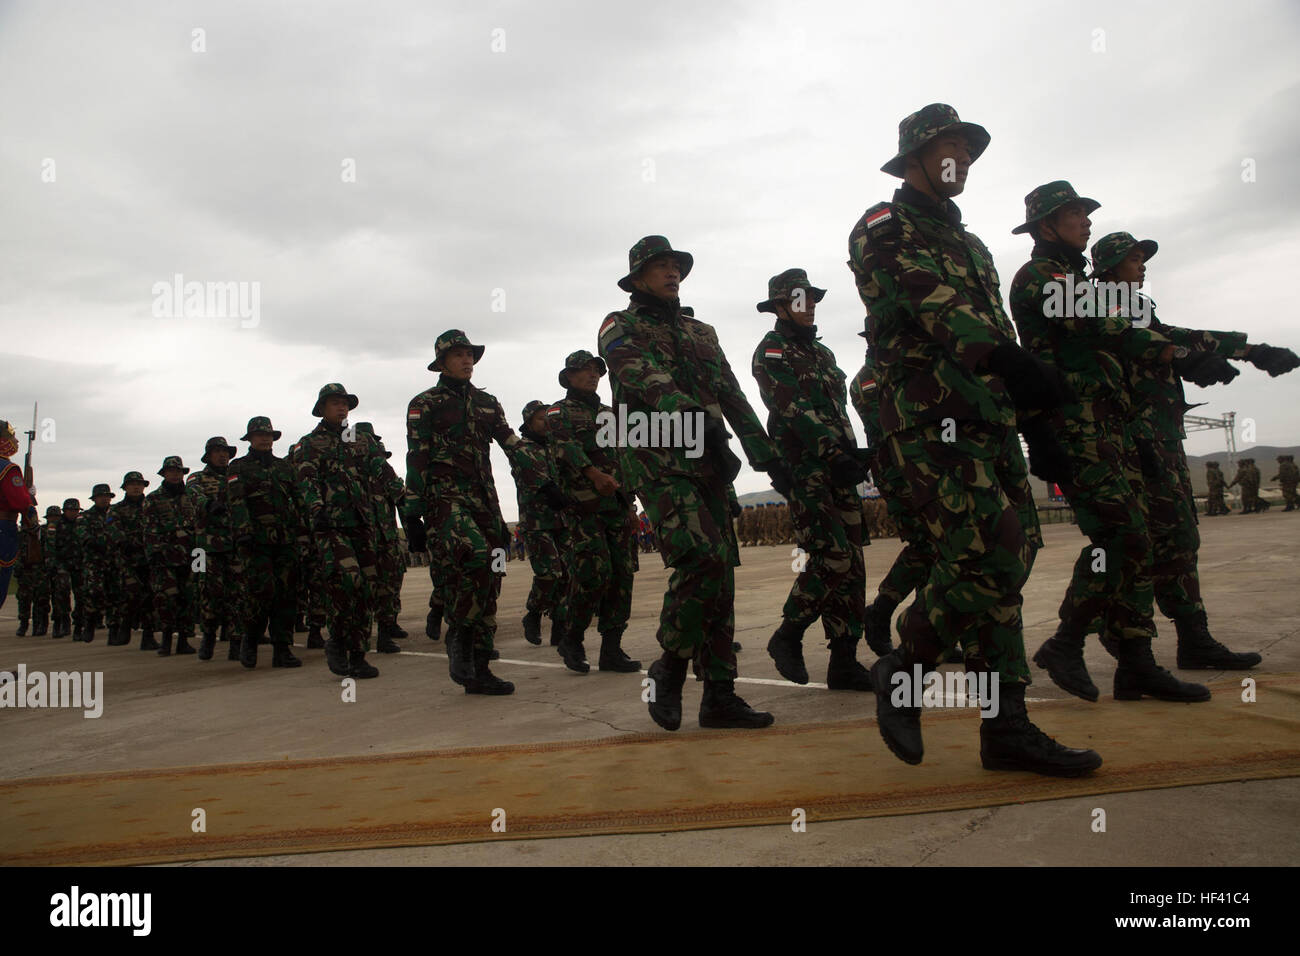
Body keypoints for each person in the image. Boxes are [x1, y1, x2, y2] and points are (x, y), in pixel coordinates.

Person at [848, 104, 1099, 775]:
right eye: (949, 147)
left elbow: (997, 331)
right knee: (981, 554)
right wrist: (1016, 365)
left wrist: (1039, 423)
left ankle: (1006, 725)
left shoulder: (975, 244)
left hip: (990, 415)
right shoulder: (882, 226)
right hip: (933, 418)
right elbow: (930, 303)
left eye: (968, 150)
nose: (961, 160)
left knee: (1014, 555)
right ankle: (905, 666)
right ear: (916, 157)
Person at [598, 235, 794, 730]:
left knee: (720, 571)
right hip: (656, 454)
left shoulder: (702, 331)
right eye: (660, 266)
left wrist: (771, 460)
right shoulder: (619, 326)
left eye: (675, 266)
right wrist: (688, 414)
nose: (671, 273)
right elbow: (639, 374)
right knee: (701, 557)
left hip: (708, 459)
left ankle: (720, 696)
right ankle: (669, 667)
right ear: (638, 277)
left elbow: (731, 392)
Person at [751, 269, 872, 690]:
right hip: (807, 469)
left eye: (813, 299)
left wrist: (853, 450)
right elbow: (790, 407)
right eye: (801, 300)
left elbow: (836, 411)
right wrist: (832, 451)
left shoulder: (823, 355)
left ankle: (844, 659)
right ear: (781, 306)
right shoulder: (772, 352)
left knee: (853, 564)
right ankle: (788, 634)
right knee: (831, 555)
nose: (810, 306)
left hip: (837, 467)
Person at [403, 332, 521, 695]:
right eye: (458, 355)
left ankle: (479, 667)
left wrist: (546, 479)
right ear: (441, 362)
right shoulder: (425, 403)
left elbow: (511, 444)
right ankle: (459, 634)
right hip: (445, 500)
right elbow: (417, 457)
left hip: (484, 500)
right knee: (477, 557)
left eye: (470, 354)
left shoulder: (488, 403)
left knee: (495, 571)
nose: (466, 360)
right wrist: (412, 516)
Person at [547, 351, 641, 673]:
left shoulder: (609, 414)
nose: (592, 375)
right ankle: (572, 637)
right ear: (569, 377)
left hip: (615, 506)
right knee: (592, 573)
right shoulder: (558, 412)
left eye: (595, 370)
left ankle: (611, 649)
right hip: (583, 505)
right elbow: (564, 448)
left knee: (621, 575)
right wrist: (592, 474)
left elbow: (621, 457)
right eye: (584, 370)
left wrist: (630, 504)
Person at [294, 384, 385, 679]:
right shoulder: (310, 443)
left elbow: (381, 470)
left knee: (368, 586)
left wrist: (408, 505)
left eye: (344, 403)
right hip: (331, 524)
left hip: (362, 522)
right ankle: (336, 641)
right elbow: (306, 479)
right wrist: (316, 509)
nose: (342, 407)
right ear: (322, 409)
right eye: (335, 403)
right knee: (347, 581)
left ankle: (358, 654)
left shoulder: (361, 441)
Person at [228, 416, 311, 669]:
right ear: (250, 439)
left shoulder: (285, 467)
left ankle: (282, 649)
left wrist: (303, 532)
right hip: (255, 541)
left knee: (286, 595)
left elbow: (298, 500)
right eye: (259, 435)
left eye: (269, 435)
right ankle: (250, 641)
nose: (265, 439)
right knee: (260, 593)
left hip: (285, 540)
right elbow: (236, 501)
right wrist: (244, 532)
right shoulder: (238, 467)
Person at [512, 400, 571, 649]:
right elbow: (537, 478)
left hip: (561, 520)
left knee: (567, 575)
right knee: (549, 573)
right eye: (539, 419)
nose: (546, 423)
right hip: (537, 522)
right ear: (528, 422)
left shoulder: (555, 446)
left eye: (548, 418)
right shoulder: (522, 448)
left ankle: (559, 626)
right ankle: (533, 613)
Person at [354, 422, 408, 653]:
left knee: (390, 583)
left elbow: (402, 501)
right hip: (362, 538)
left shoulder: (385, 474)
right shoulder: (350, 473)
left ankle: (387, 629)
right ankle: (360, 637)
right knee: (364, 588)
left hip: (386, 537)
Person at [142, 457, 200, 656]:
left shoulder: (192, 496)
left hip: (191, 556)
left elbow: (200, 526)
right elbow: (149, 529)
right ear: (164, 474)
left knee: (188, 598)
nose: (175, 474)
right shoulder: (154, 499)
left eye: (178, 471)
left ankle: (183, 640)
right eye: (171, 471)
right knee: (166, 599)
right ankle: (166, 640)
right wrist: (155, 553)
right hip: (165, 557)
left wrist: (200, 555)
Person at [108, 472, 155, 647]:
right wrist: (124, 542)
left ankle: (148, 636)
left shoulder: (151, 505)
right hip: (127, 559)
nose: (136, 487)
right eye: (132, 484)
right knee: (130, 594)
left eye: (139, 484)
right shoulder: (117, 509)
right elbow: (112, 528)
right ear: (125, 487)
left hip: (149, 557)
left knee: (150, 597)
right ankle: (124, 626)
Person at [0, 420, 38, 613]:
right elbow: (20, 502)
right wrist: (28, 495)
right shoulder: (7, 468)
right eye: (10, 436)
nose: (14, 440)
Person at [73, 483, 117, 642]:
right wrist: (101, 543)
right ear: (95, 498)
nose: (104, 499)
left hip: (113, 562)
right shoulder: (85, 517)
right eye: (101, 496)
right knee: (93, 594)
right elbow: (84, 537)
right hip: (94, 562)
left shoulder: (116, 513)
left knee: (113, 595)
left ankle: (113, 630)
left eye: (107, 496)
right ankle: (89, 624)